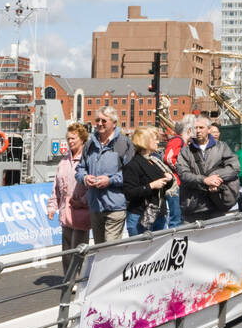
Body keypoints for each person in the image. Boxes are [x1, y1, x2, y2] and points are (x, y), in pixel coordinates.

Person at [75, 107, 133, 243]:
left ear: (114, 123)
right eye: (97, 120)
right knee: (99, 249)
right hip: (96, 206)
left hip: (115, 207)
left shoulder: (124, 143)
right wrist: (84, 178)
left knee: (110, 249)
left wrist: (110, 180)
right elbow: (80, 169)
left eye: (103, 120)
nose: (99, 123)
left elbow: (130, 174)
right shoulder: (89, 144)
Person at [47, 122, 90, 275]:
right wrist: (52, 207)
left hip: (81, 211)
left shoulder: (88, 159)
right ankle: (68, 279)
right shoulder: (64, 162)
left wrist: (83, 201)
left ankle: (79, 279)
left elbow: (92, 186)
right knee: (66, 251)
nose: (70, 141)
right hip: (66, 212)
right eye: (68, 139)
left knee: (78, 249)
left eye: (74, 138)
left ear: (82, 139)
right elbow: (56, 188)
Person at [176, 116, 240, 219]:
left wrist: (215, 178)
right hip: (194, 206)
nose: (198, 131)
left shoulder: (222, 147)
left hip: (217, 203)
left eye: (201, 127)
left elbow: (234, 167)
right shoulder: (185, 151)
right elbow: (183, 174)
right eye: (195, 128)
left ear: (209, 129)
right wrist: (205, 180)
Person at [120, 126, 175, 235]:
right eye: (155, 139)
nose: (158, 141)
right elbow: (129, 193)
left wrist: (168, 180)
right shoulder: (133, 165)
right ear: (145, 141)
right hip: (140, 217)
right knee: (140, 250)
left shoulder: (154, 161)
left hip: (158, 214)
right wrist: (151, 186)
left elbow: (162, 187)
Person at [162, 116, 190, 229]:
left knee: (180, 216)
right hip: (176, 184)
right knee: (176, 217)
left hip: (180, 183)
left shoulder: (182, 142)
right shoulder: (177, 140)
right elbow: (168, 158)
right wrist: (181, 170)